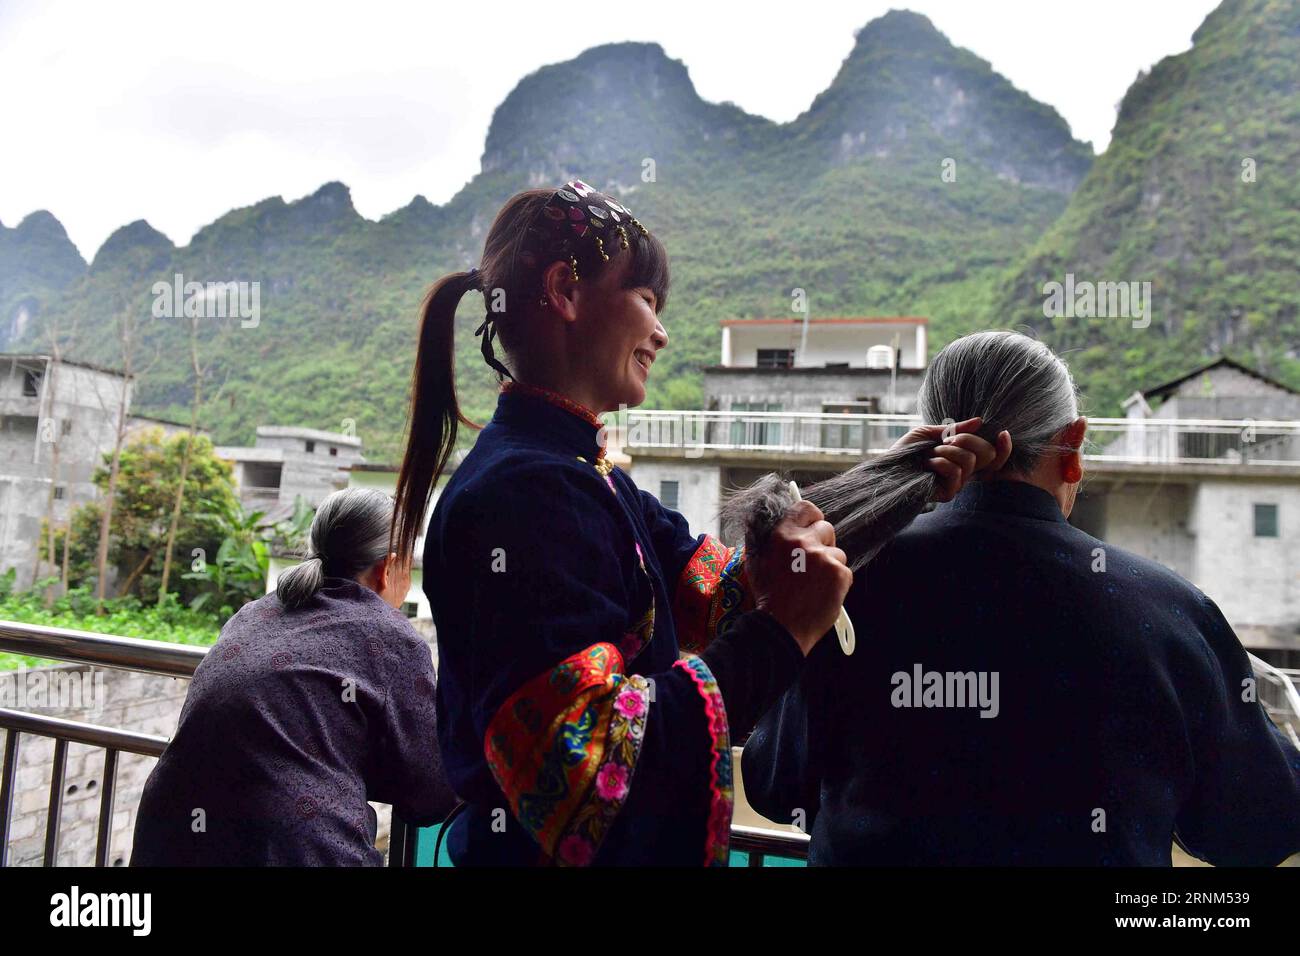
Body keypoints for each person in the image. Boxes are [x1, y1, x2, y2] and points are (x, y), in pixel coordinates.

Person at [391, 180, 1003, 866]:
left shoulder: (582, 476)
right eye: (647, 300)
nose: (661, 330)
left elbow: (729, 587)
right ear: (565, 291)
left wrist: (894, 479)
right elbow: (590, 773)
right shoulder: (525, 494)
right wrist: (783, 633)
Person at [738, 330, 1300, 866]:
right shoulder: (1171, 613)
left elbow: (773, 783)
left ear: (926, 441)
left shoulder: (842, 586)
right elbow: (1256, 828)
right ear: (1073, 447)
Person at [131, 488, 455, 866]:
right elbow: (431, 794)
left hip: (167, 838)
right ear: (388, 568)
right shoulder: (391, 636)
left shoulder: (252, 614)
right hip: (289, 850)